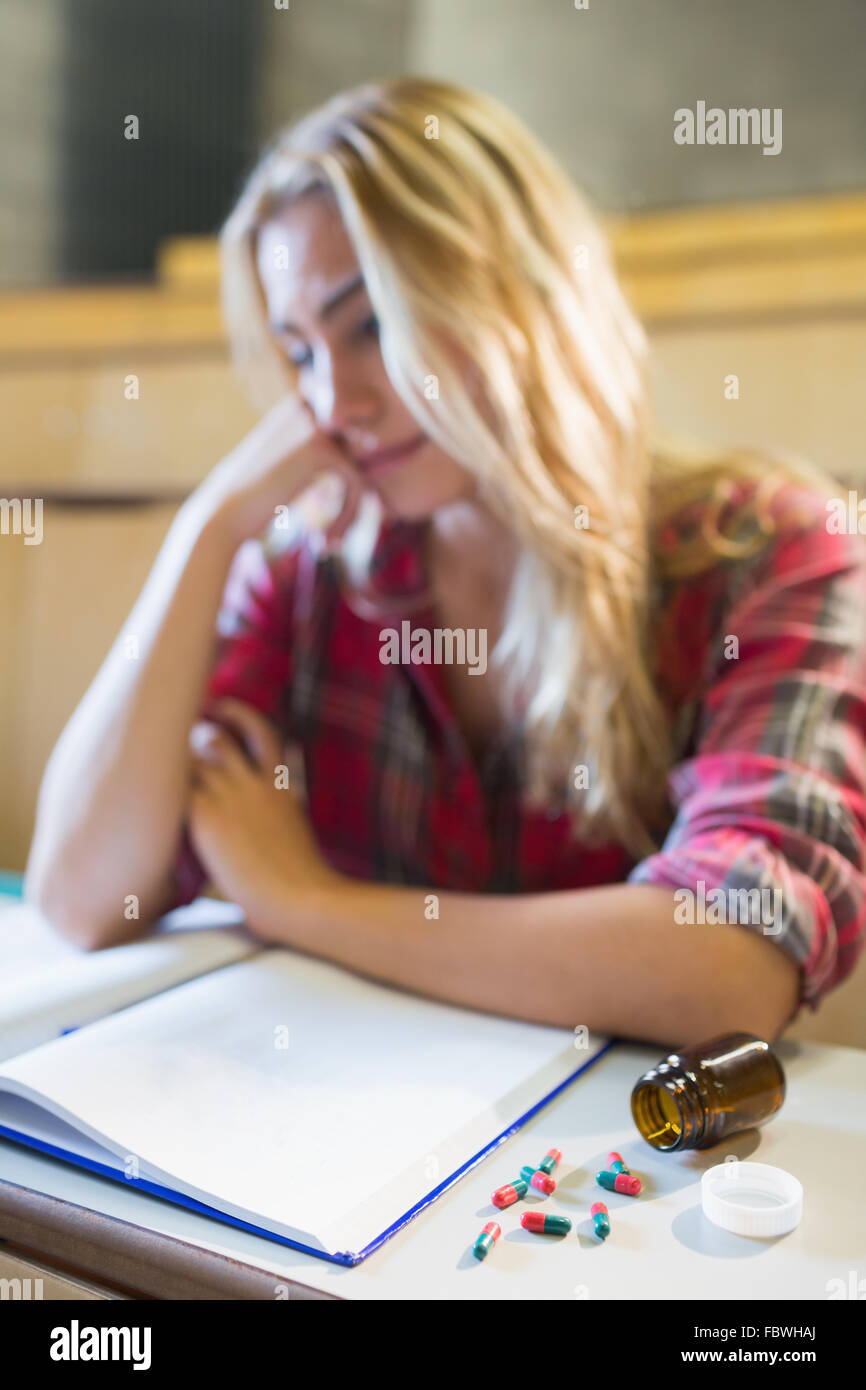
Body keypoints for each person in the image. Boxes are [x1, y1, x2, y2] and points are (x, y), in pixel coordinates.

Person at [25, 79, 866, 1046]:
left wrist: (307, 903)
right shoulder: (309, 578)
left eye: (373, 325)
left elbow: (732, 964)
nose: (333, 402)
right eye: (298, 353)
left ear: (519, 290)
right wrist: (205, 534)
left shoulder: (770, 554)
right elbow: (82, 897)